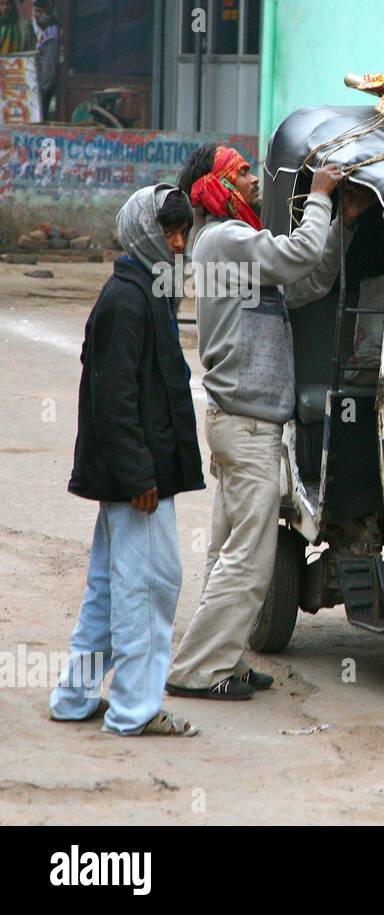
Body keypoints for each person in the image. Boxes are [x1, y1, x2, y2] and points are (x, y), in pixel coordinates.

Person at [164, 146, 372, 701]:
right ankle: (198, 672)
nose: (255, 179)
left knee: (227, 550)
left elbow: (306, 280)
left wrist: (342, 227)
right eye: (243, 172)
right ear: (218, 187)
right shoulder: (226, 237)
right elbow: (299, 251)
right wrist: (323, 198)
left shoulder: (232, 244)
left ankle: (221, 659)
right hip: (247, 425)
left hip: (244, 423)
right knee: (249, 559)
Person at [50, 184, 203, 737]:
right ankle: (135, 710)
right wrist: (141, 475)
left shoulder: (146, 292)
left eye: (184, 231)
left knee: (111, 590)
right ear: (146, 231)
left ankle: (73, 698)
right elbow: (114, 400)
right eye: (171, 231)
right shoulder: (128, 299)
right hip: (138, 481)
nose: (180, 242)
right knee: (148, 589)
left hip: (139, 476)